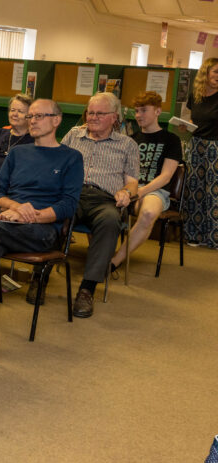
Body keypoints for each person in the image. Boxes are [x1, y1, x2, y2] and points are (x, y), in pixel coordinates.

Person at [0, 99, 83, 311]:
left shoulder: (71, 158)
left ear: (56, 120)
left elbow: (68, 206)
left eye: (39, 116)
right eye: (30, 116)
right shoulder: (18, 153)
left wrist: (27, 216)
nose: (32, 121)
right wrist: (15, 207)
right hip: (8, 223)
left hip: (44, 231)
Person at [62, 92, 139, 318]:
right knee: (55, 215)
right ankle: (41, 274)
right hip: (73, 194)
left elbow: (133, 182)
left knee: (110, 221)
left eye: (100, 113)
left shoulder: (127, 145)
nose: (93, 117)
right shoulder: (73, 135)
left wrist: (126, 192)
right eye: (90, 112)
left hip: (105, 199)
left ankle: (87, 289)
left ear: (114, 117)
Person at [110, 91, 182, 269]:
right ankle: (100, 253)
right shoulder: (130, 140)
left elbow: (166, 176)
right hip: (128, 188)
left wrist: (142, 191)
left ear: (158, 111)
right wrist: (130, 190)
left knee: (149, 213)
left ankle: (114, 261)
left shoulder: (171, 140)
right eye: (136, 111)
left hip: (155, 190)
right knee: (97, 206)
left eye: (143, 110)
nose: (138, 115)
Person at [182, 57, 218, 248]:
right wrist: (182, 128)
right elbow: (189, 119)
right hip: (195, 145)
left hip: (215, 147)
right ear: (205, 73)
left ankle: (213, 236)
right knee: (194, 189)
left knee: (213, 192)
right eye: (216, 72)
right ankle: (193, 234)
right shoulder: (195, 95)